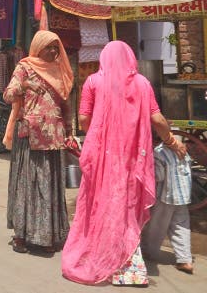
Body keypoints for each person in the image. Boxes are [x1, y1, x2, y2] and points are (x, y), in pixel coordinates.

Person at [61, 41, 187, 286]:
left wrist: (102, 131)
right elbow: (157, 119)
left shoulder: (93, 82)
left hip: (100, 154)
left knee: (100, 202)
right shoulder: (142, 83)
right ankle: (125, 263)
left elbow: (85, 118)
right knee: (125, 204)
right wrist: (172, 141)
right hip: (131, 156)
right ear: (130, 58)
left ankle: (99, 252)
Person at [2, 31, 73, 254]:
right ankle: (22, 235)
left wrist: (70, 130)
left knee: (49, 185)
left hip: (54, 137)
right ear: (37, 47)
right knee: (28, 186)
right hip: (30, 136)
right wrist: (26, 86)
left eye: (56, 47)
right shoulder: (25, 67)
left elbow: (65, 104)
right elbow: (9, 94)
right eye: (49, 47)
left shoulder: (60, 70)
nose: (53, 51)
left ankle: (48, 234)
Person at [142, 138, 194, 275]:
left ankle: (149, 252)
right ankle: (185, 260)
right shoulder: (182, 150)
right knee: (181, 227)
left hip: (166, 196)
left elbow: (158, 176)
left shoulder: (158, 152)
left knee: (156, 226)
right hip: (183, 196)